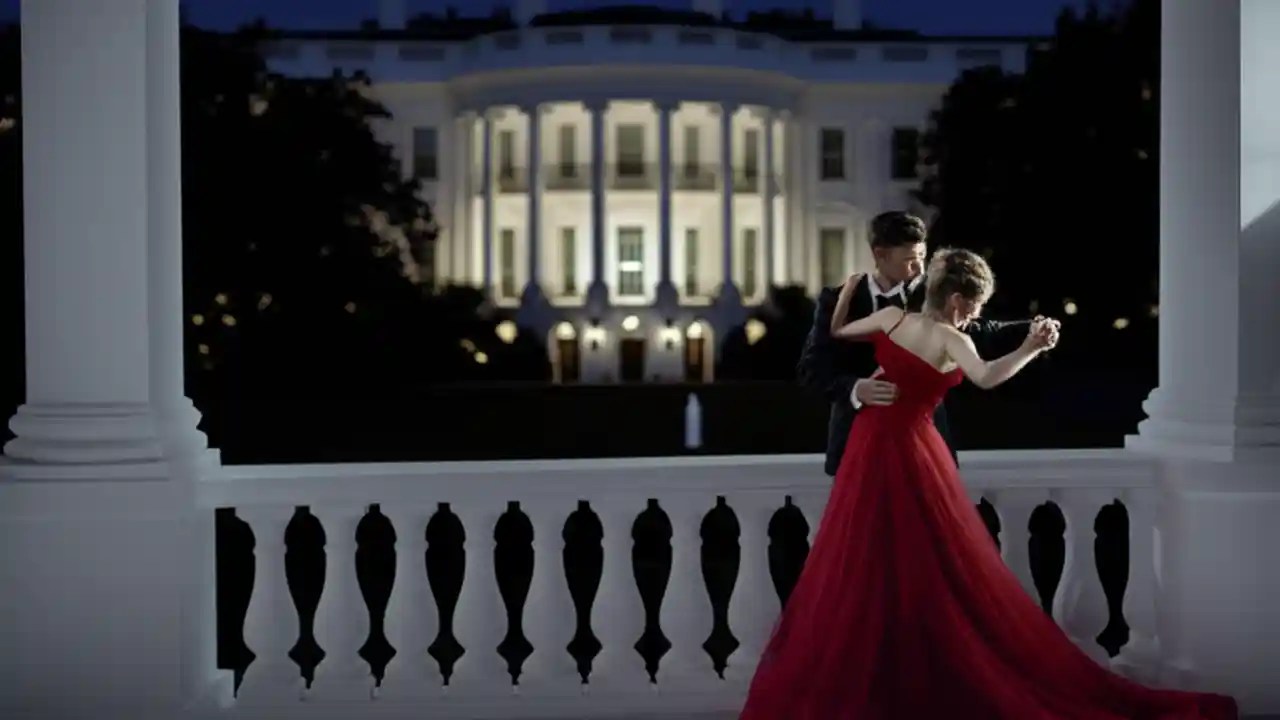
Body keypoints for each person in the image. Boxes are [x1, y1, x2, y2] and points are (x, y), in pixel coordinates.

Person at [739, 248, 1238, 719]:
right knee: (928, 562)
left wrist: (849, 290)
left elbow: (840, 330)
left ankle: (877, 678)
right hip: (913, 450)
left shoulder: (892, 319)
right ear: (957, 300)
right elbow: (987, 378)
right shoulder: (954, 339)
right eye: (974, 306)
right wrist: (1028, 347)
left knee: (865, 557)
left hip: (869, 446)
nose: (974, 315)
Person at [797, 211, 1054, 475]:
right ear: (880, 255)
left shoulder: (933, 293)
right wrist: (855, 389)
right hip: (857, 443)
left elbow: (978, 327)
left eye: (922, 257)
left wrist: (1031, 328)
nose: (920, 269)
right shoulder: (838, 300)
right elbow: (812, 369)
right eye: (910, 260)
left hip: (924, 445)